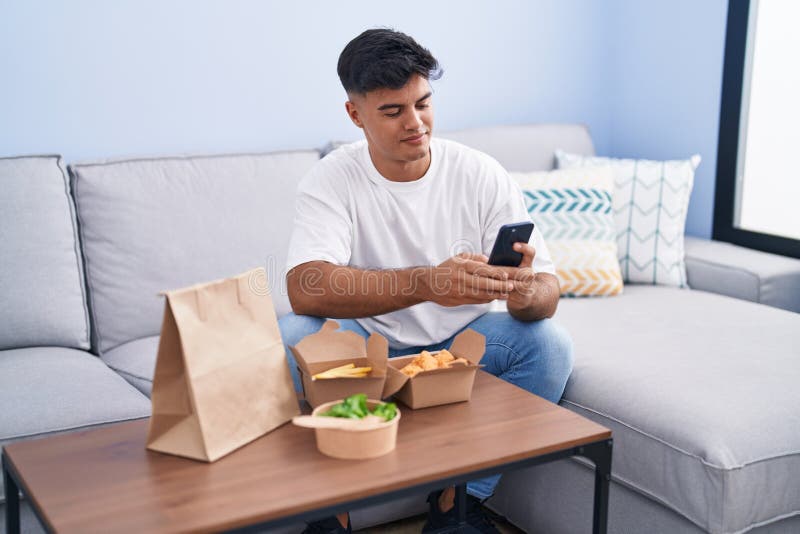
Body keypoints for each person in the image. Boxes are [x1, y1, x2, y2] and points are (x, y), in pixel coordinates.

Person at [279, 28, 573, 534]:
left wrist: (525, 293)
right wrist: (428, 283)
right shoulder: (332, 178)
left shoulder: (479, 172)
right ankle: (333, 512)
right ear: (356, 115)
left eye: (424, 103)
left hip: (462, 344)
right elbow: (305, 286)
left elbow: (546, 289)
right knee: (293, 337)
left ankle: (458, 501)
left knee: (549, 346)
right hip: (369, 346)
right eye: (393, 111)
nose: (416, 124)